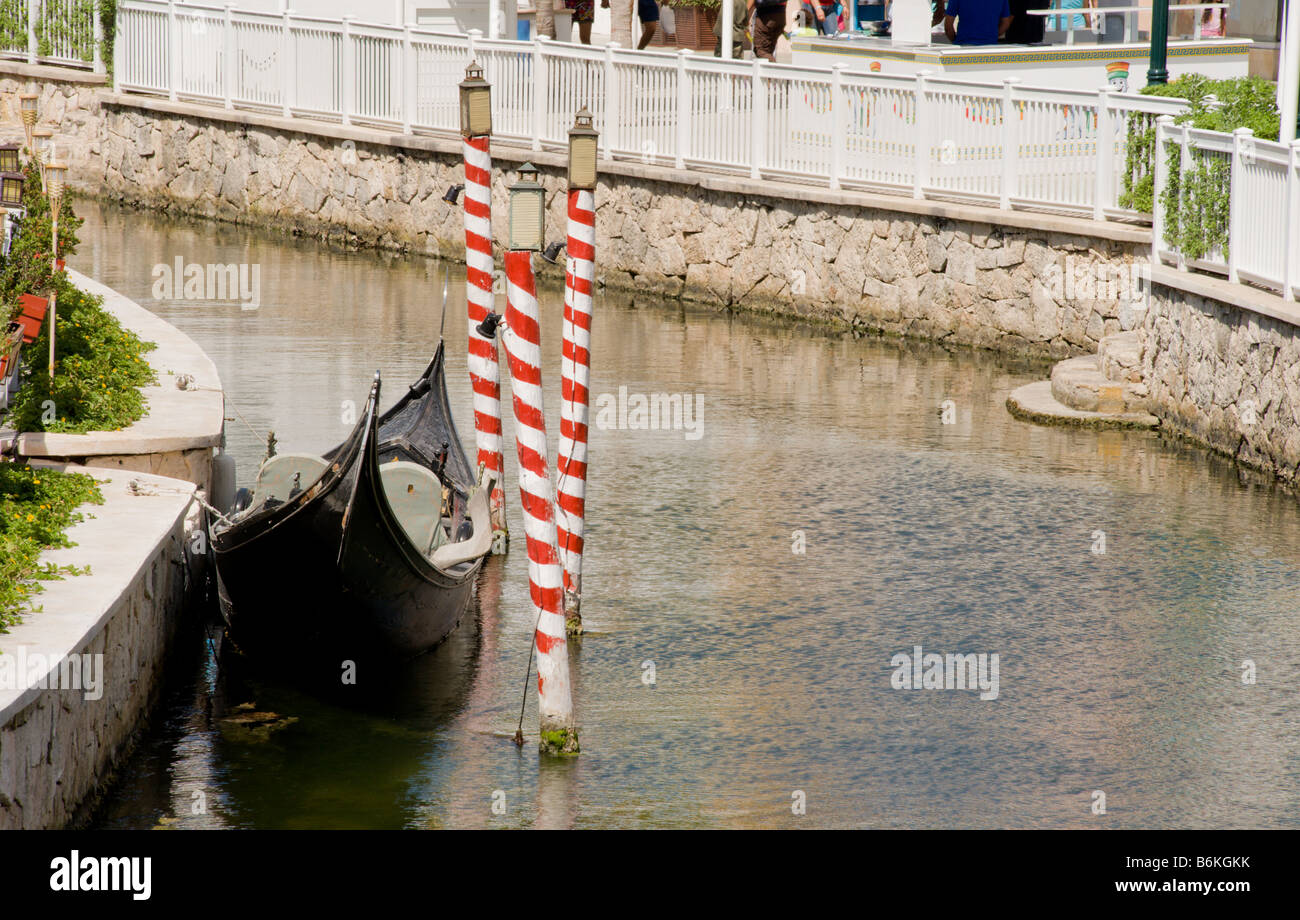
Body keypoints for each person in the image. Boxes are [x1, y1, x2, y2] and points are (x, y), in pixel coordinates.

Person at [943, 0, 1011, 45]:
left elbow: (948, 26)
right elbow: (1006, 23)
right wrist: (991, 36)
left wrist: (956, 41)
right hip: (990, 46)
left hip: (964, 45)